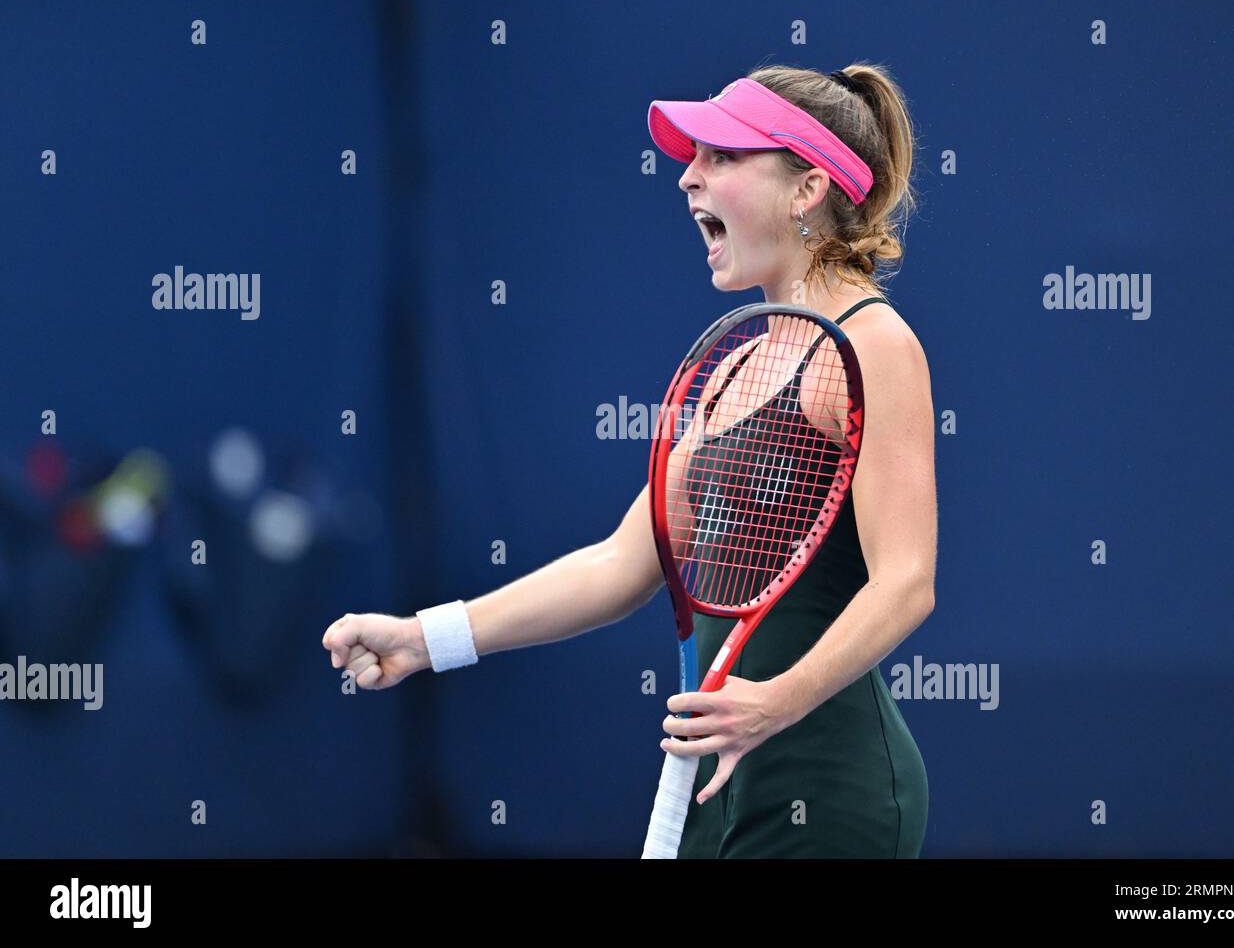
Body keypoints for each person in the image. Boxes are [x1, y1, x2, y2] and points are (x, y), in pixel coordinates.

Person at [322, 61, 937, 858]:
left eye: (721, 156)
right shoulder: (733, 366)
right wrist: (422, 638)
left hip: (829, 786)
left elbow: (907, 581)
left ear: (805, 189)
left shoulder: (875, 345)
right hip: (720, 782)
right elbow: (621, 563)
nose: (687, 177)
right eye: (693, 157)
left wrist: (775, 703)